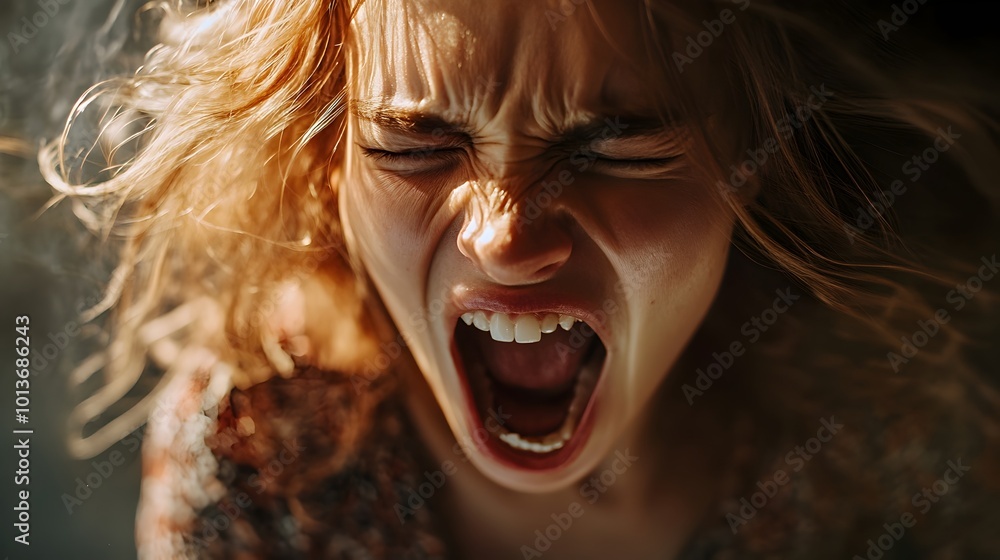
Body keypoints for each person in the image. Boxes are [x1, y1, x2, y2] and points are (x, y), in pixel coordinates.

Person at [41, 0, 1000, 558]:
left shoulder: (884, 438)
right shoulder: (254, 461)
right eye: (417, 144)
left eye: (615, 149)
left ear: (751, 161)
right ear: (328, 169)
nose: (506, 240)